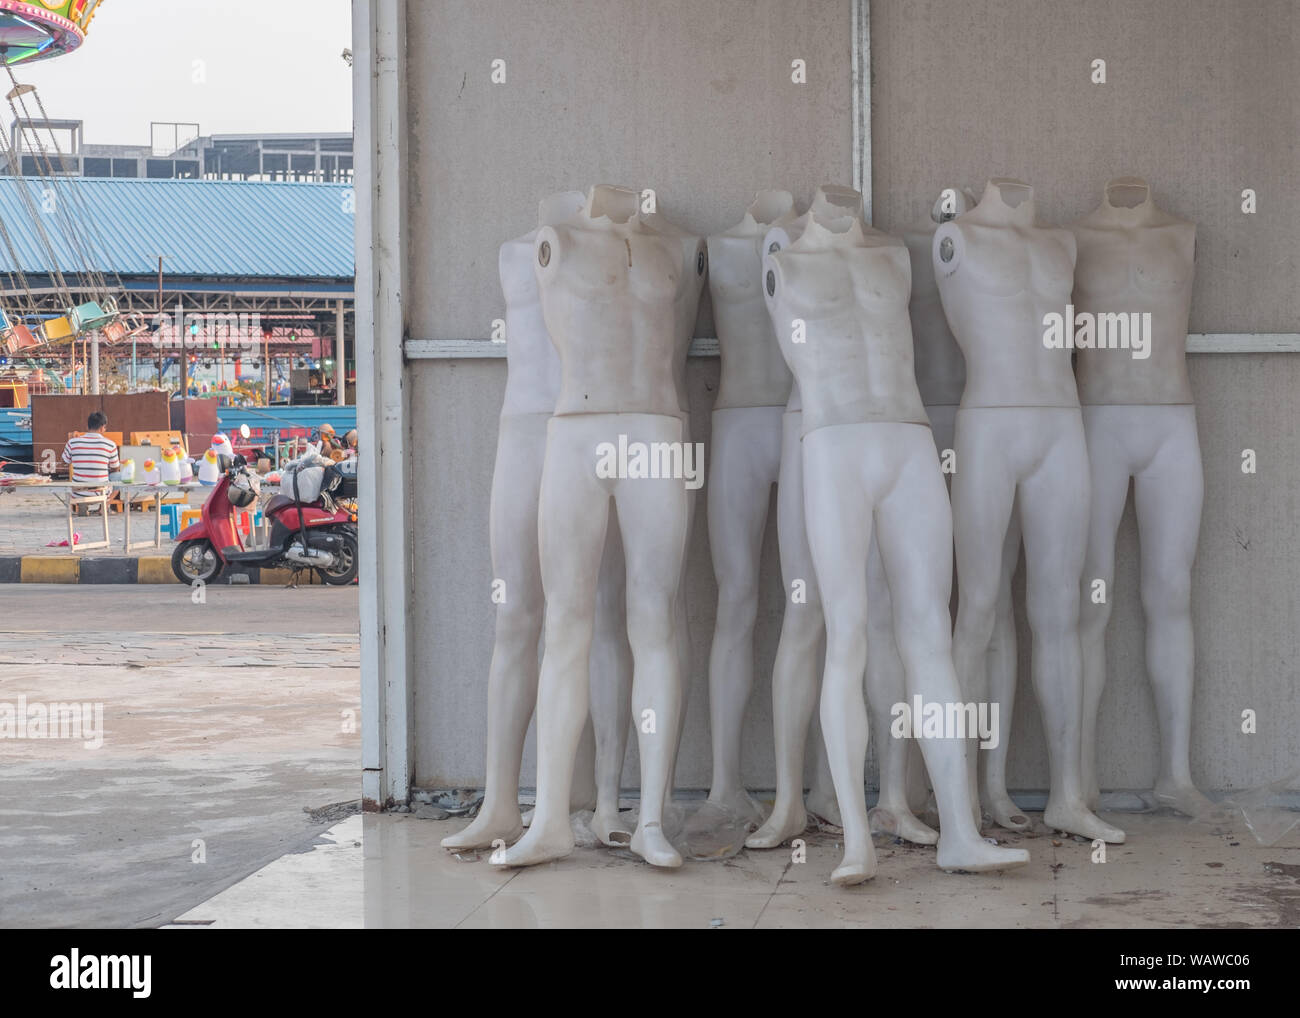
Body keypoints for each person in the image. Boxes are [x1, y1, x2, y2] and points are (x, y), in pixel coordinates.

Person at [61, 411, 120, 496]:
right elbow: (115, 469)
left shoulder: (72, 442)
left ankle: (84, 504)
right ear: (102, 428)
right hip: (101, 493)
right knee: (118, 476)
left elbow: (64, 463)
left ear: (87, 427)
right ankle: (104, 507)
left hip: (77, 493)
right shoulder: (110, 444)